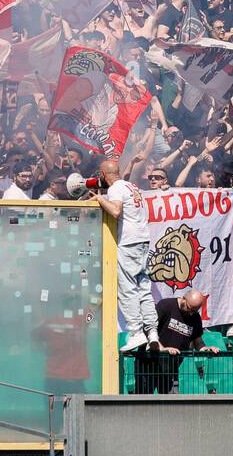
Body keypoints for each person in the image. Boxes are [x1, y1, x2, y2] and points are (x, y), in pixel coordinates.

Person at [93, 158, 157, 353]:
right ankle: (152, 332)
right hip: (144, 241)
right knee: (144, 289)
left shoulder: (114, 190)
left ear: (103, 175)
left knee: (127, 289)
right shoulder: (131, 186)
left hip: (128, 243)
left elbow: (116, 211)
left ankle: (136, 333)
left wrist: (99, 199)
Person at [135, 289, 219, 394]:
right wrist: (161, 348)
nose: (191, 312)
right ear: (183, 298)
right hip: (148, 364)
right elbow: (148, 329)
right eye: (189, 308)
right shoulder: (166, 305)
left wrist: (205, 348)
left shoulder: (195, 317)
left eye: (195, 310)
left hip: (170, 367)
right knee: (143, 401)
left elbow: (197, 341)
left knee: (171, 403)